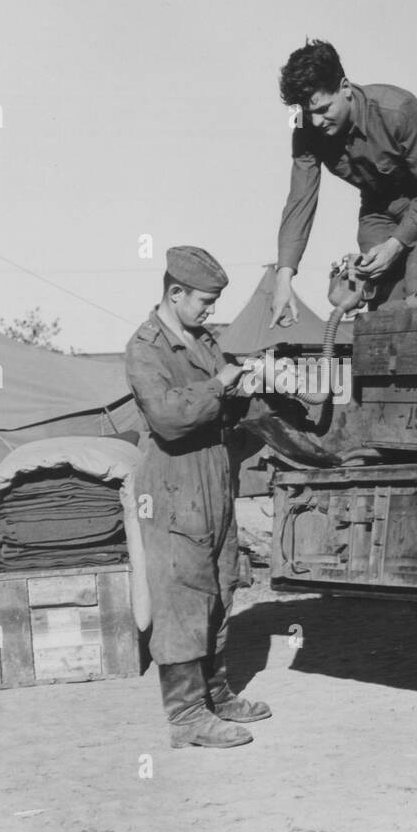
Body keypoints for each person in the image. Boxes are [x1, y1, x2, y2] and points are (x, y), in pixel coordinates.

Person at [125, 247, 271, 749]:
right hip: (173, 482)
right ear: (175, 293)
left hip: (214, 473)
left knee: (219, 586)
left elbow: (222, 405)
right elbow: (168, 417)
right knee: (182, 595)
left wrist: (249, 386)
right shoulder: (145, 348)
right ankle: (186, 717)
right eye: (205, 301)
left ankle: (216, 694)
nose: (211, 310)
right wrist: (220, 383)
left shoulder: (205, 340)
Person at [271, 39, 417, 327]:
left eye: (323, 109)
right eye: (309, 114)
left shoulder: (397, 109)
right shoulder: (307, 129)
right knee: (383, 303)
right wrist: (283, 279)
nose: (317, 121)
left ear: (345, 88)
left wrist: (395, 245)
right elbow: (300, 201)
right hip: (378, 207)